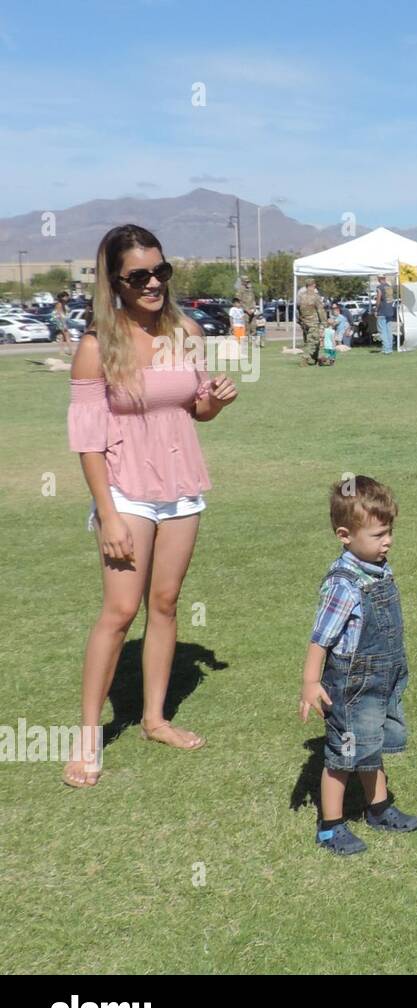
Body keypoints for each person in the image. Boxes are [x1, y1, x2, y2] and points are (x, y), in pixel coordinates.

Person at [63, 224, 238, 787]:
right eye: (138, 275)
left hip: (181, 485)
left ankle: (155, 719)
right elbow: (88, 441)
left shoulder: (185, 331)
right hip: (124, 490)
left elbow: (196, 410)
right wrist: (107, 514)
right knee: (119, 612)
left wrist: (213, 402)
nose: (153, 283)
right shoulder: (96, 346)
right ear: (114, 281)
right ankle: (89, 738)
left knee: (164, 605)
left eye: (160, 271)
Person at [299, 476, 417, 855]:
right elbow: (320, 638)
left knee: (372, 746)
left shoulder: (378, 568)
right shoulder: (344, 583)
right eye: (379, 535)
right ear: (344, 535)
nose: (388, 542)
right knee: (342, 757)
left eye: (390, 532)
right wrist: (310, 682)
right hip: (352, 686)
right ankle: (330, 827)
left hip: (382, 679)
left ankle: (378, 808)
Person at [297, 278, 328, 366]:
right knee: (313, 341)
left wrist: (300, 321)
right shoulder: (315, 297)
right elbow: (320, 311)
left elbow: (298, 309)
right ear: (313, 285)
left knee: (313, 340)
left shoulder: (301, 297)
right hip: (314, 322)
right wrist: (324, 323)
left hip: (304, 323)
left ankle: (317, 358)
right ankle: (305, 358)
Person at [375, 275, 397, 353]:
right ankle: (390, 348)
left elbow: (378, 299)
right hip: (389, 311)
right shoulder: (389, 287)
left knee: (382, 331)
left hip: (382, 311)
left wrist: (376, 310)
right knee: (389, 330)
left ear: (379, 279)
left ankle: (386, 349)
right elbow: (390, 300)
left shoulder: (379, 287)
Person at [53, 290, 72, 357]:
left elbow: (67, 311)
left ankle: (61, 352)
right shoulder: (59, 304)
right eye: (66, 297)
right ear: (62, 297)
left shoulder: (64, 304)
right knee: (67, 336)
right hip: (61, 321)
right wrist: (64, 324)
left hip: (63, 321)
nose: (67, 298)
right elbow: (59, 314)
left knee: (61, 337)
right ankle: (71, 351)